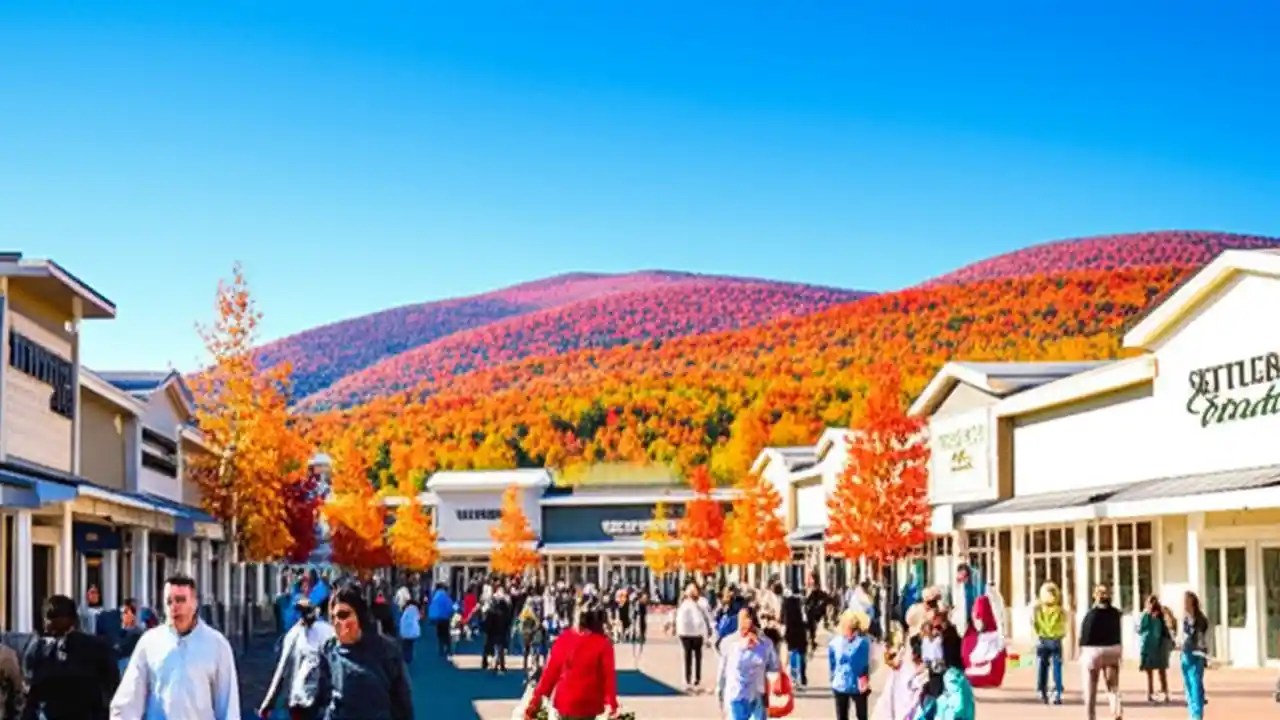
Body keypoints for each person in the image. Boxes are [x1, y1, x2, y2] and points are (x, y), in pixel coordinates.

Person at [110, 575, 238, 720]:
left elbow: (228, 706)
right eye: (169, 601)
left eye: (181, 600)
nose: (174, 607)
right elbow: (128, 700)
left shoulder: (217, 645)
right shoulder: (150, 643)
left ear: (194, 603)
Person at [5, 594, 119, 720]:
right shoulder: (39, 650)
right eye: (48, 617)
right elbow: (33, 694)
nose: (49, 622)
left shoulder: (95, 648)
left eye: (54, 617)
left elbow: (111, 686)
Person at [314, 582, 414, 720]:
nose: (337, 622)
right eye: (333, 617)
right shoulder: (329, 651)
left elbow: (402, 703)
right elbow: (321, 700)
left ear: (359, 617)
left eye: (344, 615)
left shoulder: (387, 651)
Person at [525, 597, 619, 720]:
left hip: (565, 702)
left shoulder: (564, 638)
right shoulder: (603, 644)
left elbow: (550, 674)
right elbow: (608, 678)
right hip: (588, 704)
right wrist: (612, 705)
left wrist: (535, 701)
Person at [259, 597, 336, 720]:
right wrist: (268, 703)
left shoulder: (326, 632)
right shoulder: (293, 635)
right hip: (300, 699)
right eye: (303, 612)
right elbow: (281, 670)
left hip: (320, 698)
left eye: (308, 611)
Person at [716, 606, 781, 720]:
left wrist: (720, 693)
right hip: (750, 694)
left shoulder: (729, 643)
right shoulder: (765, 643)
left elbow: (722, 672)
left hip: (743, 694)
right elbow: (775, 666)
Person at [1078, 584, 1123, 720]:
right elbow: (1118, 633)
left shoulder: (1091, 614)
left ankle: (1091, 716)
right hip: (1113, 650)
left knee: (1090, 687)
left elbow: (1085, 636)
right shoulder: (1116, 613)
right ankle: (1116, 710)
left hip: (1093, 652)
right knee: (1112, 684)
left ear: (1095, 596)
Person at [828, 609, 872, 720]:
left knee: (841, 715)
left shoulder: (834, 643)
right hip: (859, 683)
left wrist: (833, 676)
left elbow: (832, 664)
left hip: (839, 682)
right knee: (862, 715)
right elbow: (864, 664)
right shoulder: (863, 643)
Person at [961, 593, 1006, 688]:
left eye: (979, 618)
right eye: (976, 618)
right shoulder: (972, 636)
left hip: (988, 673)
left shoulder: (995, 635)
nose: (977, 622)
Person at [1032, 581, 1066, 704]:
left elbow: (1034, 624)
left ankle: (1042, 689)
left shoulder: (1038, 609)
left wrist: (1039, 633)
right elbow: (1063, 624)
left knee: (1042, 666)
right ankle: (1057, 691)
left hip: (1043, 639)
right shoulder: (1060, 610)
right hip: (1056, 640)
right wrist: (1061, 635)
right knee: (1057, 667)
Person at [675, 583, 714, 692]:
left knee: (694, 657)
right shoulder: (688, 603)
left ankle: (694, 679)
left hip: (693, 634)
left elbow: (706, 617)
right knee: (691, 657)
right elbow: (681, 619)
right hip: (689, 634)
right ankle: (690, 679)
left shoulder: (700, 602)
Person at [1137, 594, 1173, 704]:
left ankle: (1154, 693)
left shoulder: (1150, 616)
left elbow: (1140, 629)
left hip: (1153, 646)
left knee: (1153, 672)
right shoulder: (1160, 615)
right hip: (1158, 646)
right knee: (1160, 672)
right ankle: (1161, 692)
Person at [1181, 591, 1209, 720]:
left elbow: (1200, 636)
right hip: (1185, 653)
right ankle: (1192, 712)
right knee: (1187, 683)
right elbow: (1182, 636)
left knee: (1195, 682)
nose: (1184, 604)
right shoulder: (1184, 619)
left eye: (1186, 601)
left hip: (1196, 654)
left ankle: (1197, 714)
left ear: (1193, 603)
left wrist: (1202, 650)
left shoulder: (1200, 619)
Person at [780, 587, 809, 687]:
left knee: (792, 653)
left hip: (790, 631)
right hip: (801, 631)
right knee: (802, 655)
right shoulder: (802, 602)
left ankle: (794, 678)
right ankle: (803, 677)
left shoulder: (786, 603)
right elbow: (806, 618)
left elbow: (782, 619)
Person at [426, 583, 455, 658]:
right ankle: (448, 649)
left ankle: (441, 649)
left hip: (437, 618)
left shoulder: (434, 596)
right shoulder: (446, 596)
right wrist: (451, 613)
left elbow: (431, 606)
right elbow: (450, 606)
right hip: (445, 617)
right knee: (446, 634)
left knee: (440, 633)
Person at [397, 599, 421, 665]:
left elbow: (403, 621)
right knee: (410, 646)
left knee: (405, 646)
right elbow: (418, 618)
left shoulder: (406, 611)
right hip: (413, 633)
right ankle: (409, 658)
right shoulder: (415, 610)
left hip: (406, 633)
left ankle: (405, 659)